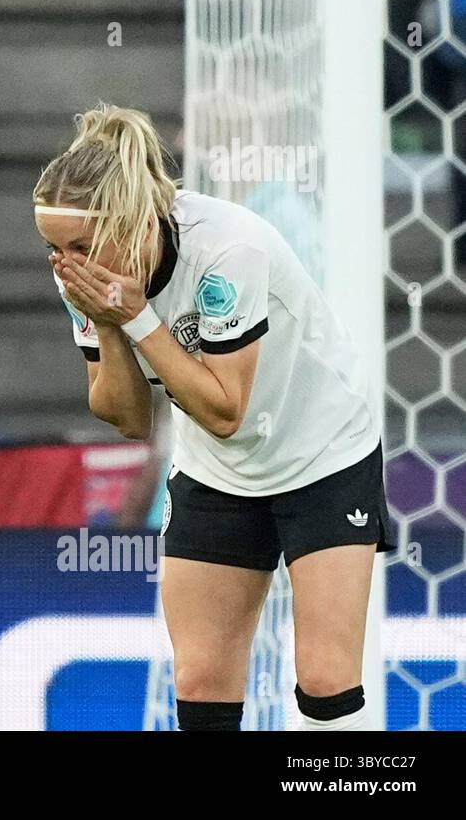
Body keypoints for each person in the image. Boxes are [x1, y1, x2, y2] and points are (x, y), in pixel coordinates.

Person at [35, 104, 393, 731]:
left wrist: (139, 316)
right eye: (53, 248)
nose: (65, 264)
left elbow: (226, 409)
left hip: (322, 452)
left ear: (132, 222)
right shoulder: (85, 279)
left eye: (80, 247)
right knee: (200, 680)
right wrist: (115, 323)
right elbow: (127, 418)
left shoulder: (228, 250)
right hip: (216, 472)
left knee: (327, 683)